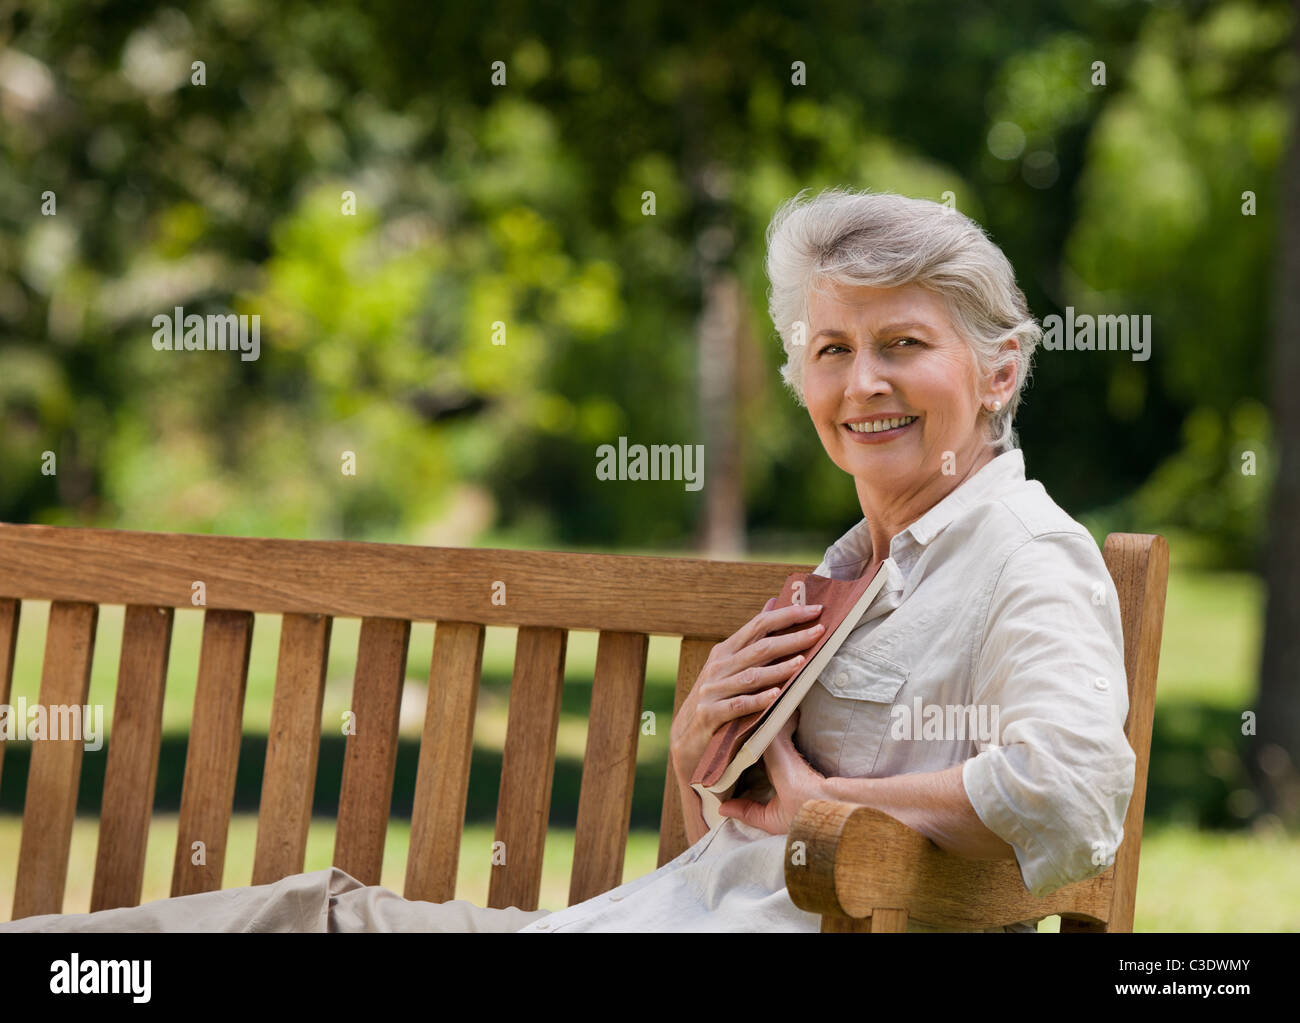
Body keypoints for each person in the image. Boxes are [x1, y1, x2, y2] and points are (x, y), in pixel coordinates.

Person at [0, 188, 1135, 933]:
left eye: (903, 345)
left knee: (312, 922)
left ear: (996, 372)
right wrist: (709, 757)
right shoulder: (856, 573)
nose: (862, 384)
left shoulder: (1024, 555)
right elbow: (752, 866)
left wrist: (828, 807)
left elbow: (1076, 786)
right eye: (832, 349)